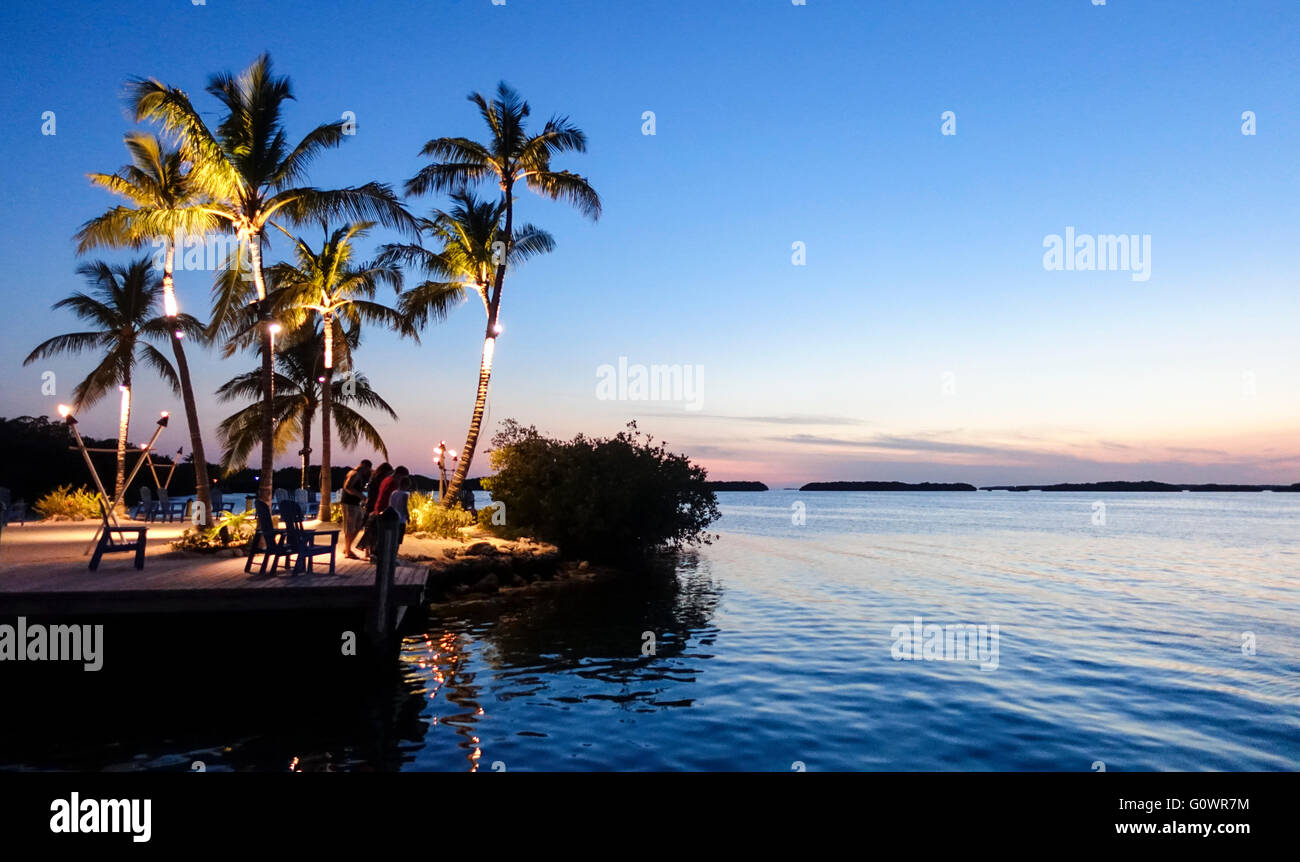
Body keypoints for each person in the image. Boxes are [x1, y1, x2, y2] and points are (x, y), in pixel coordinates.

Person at [355, 462, 393, 561]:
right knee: (372, 529)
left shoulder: (374, 479)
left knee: (369, 528)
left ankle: (368, 552)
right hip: (374, 505)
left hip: (371, 504)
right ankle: (370, 552)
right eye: (388, 473)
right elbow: (378, 494)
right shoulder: (378, 481)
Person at [339, 459, 371, 560]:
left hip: (355, 504)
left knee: (359, 524)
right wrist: (361, 496)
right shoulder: (354, 474)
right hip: (349, 503)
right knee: (350, 527)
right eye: (367, 469)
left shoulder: (358, 475)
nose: (367, 472)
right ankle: (348, 551)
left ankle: (347, 548)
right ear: (364, 466)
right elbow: (347, 487)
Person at [387, 474, 412, 548]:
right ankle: (394, 555)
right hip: (401, 519)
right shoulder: (405, 494)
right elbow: (404, 507)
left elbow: (390, 505)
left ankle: (390, 554)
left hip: (392, 518)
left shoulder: (394, 493)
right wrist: (408, 516)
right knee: (398, 540)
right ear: (406, 485)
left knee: (392, 538)